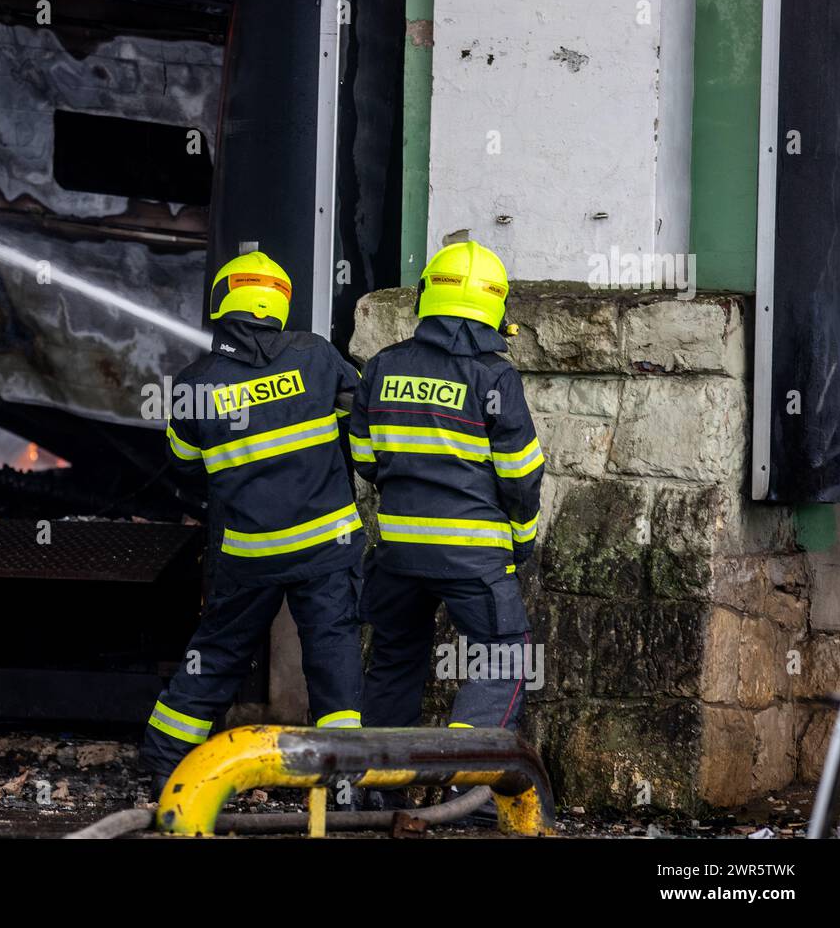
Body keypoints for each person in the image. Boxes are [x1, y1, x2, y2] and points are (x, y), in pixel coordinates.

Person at [139, 249, 365, 796]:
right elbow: (360, 420)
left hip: (247, 553)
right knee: (333, 656)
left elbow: (184, 460)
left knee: (216, 653)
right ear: (280, 305)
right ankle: (346, 785)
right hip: (326, 548)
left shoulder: (196, 383)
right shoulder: (316, 356)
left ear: (221, 305)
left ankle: (166, 766)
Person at [350, 240, 543, 737]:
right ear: (496, 309)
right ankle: (469, 787)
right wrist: (521, 537)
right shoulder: (494, 375)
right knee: (502, 655)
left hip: (398, 554)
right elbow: (520, 474)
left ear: (425, 299)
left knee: (394, 658)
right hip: (473, 555)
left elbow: (366, 460)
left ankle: (377, 788)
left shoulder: (382, 365)